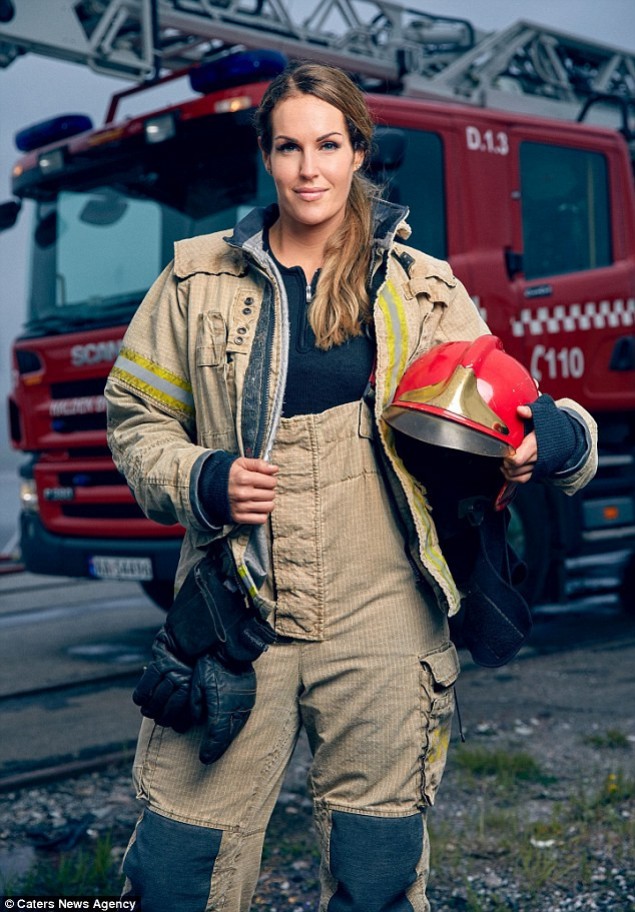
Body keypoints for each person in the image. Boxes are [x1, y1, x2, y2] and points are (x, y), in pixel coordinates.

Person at [105, 62, 598, 912]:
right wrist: (202, 476)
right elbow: (134, 419)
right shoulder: (194, 285)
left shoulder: (421, 288)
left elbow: (527, 411)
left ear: (358, 151)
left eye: (328, 145)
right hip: (238, 607)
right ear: (265, 156)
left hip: (383, 609)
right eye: (290, 146)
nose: (309, 168)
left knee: (375, 869)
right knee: (176, 870)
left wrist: (546, 440)